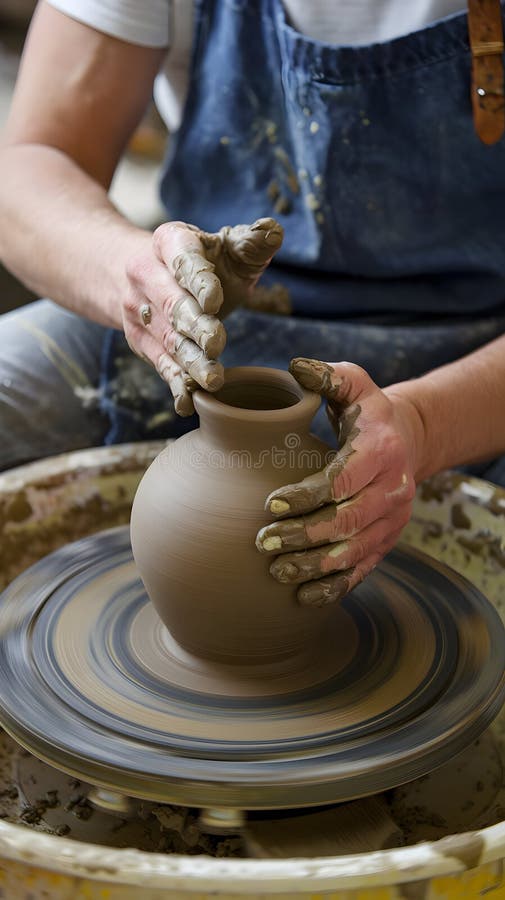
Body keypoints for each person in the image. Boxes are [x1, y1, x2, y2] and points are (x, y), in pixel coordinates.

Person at [0, 0, 504, 608]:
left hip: (477, 368)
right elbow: (30, 165)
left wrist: (425, 426)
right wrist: (136, 278)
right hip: (210, 332)